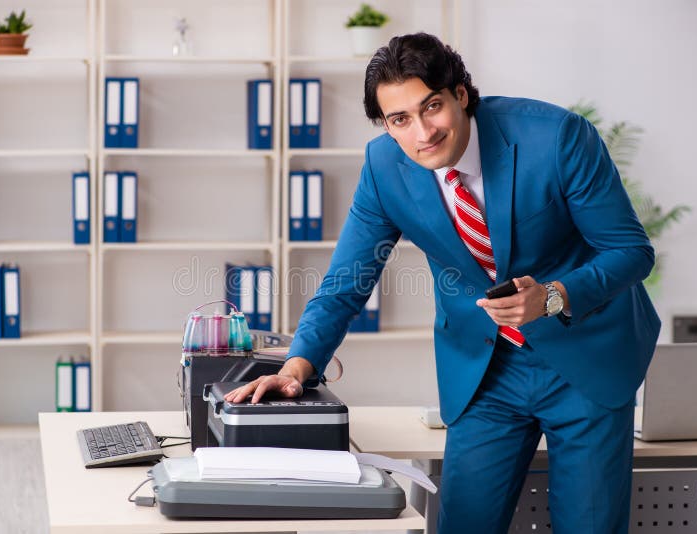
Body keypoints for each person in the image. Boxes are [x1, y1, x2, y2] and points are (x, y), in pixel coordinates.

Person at [226, 32, 660, 533]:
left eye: (431, 106)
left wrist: (555, 296)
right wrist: (298, 367)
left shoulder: (557, 138)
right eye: (400, 120)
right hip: (487, 372)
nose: (422, 132)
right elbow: (348, 281)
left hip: (585, 358)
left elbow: (631, 251)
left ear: (461, 94)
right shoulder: (385, 166)